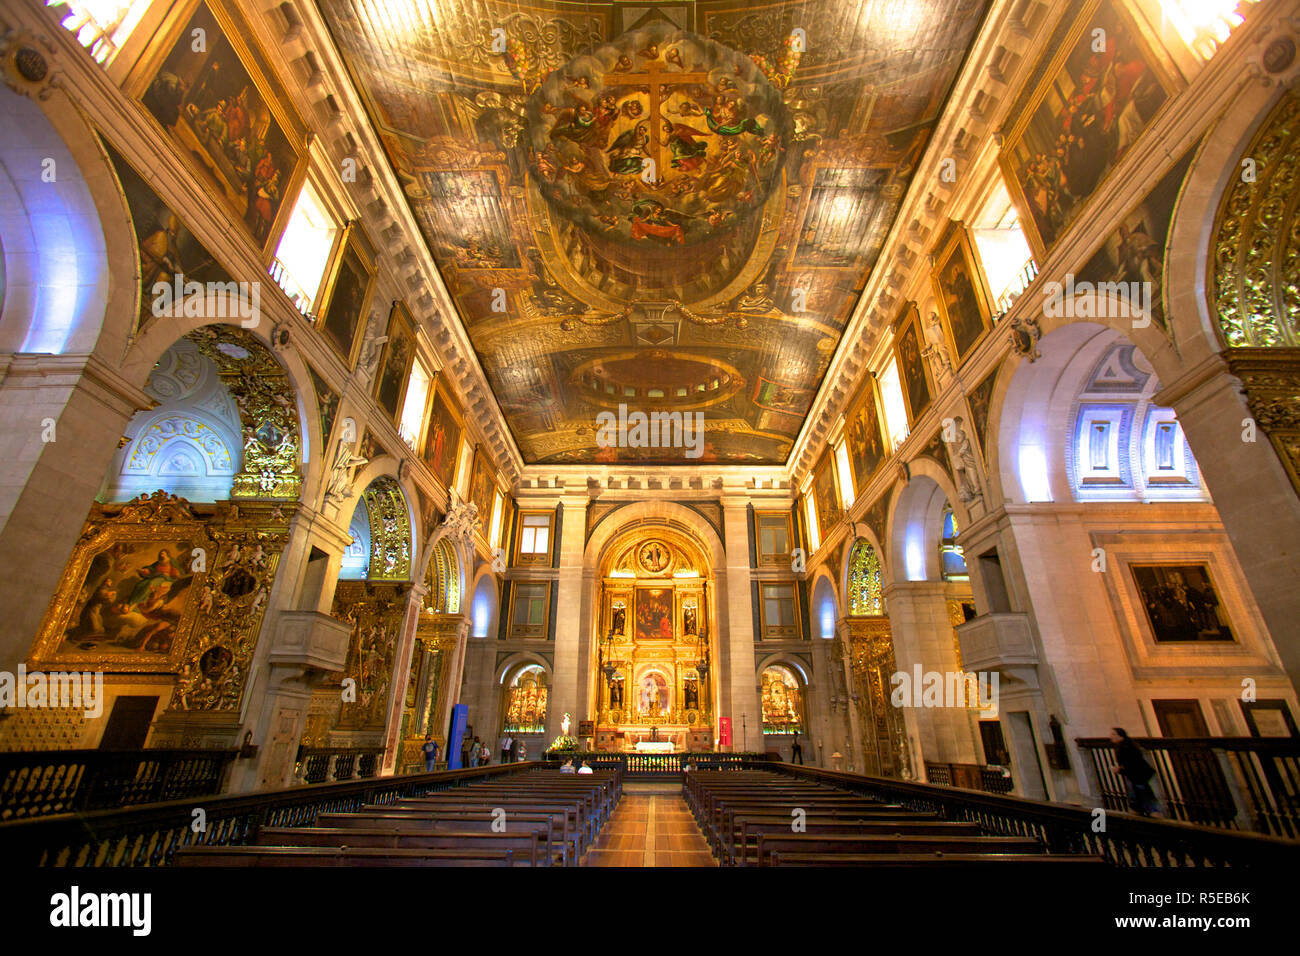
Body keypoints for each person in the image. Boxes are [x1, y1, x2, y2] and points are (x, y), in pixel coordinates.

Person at [1110, 727, 1158, 816]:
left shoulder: (1125, 748)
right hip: (1136, 776)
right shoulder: (1125, 747)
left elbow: (1132, 765)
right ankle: (1142, 811)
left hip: (1137, 776)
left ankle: (1148, 813)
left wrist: (1119, 770)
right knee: (1140, 797)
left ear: (1121, 737)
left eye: (1113, 734)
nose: (1111, 736)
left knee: (1143, 797)